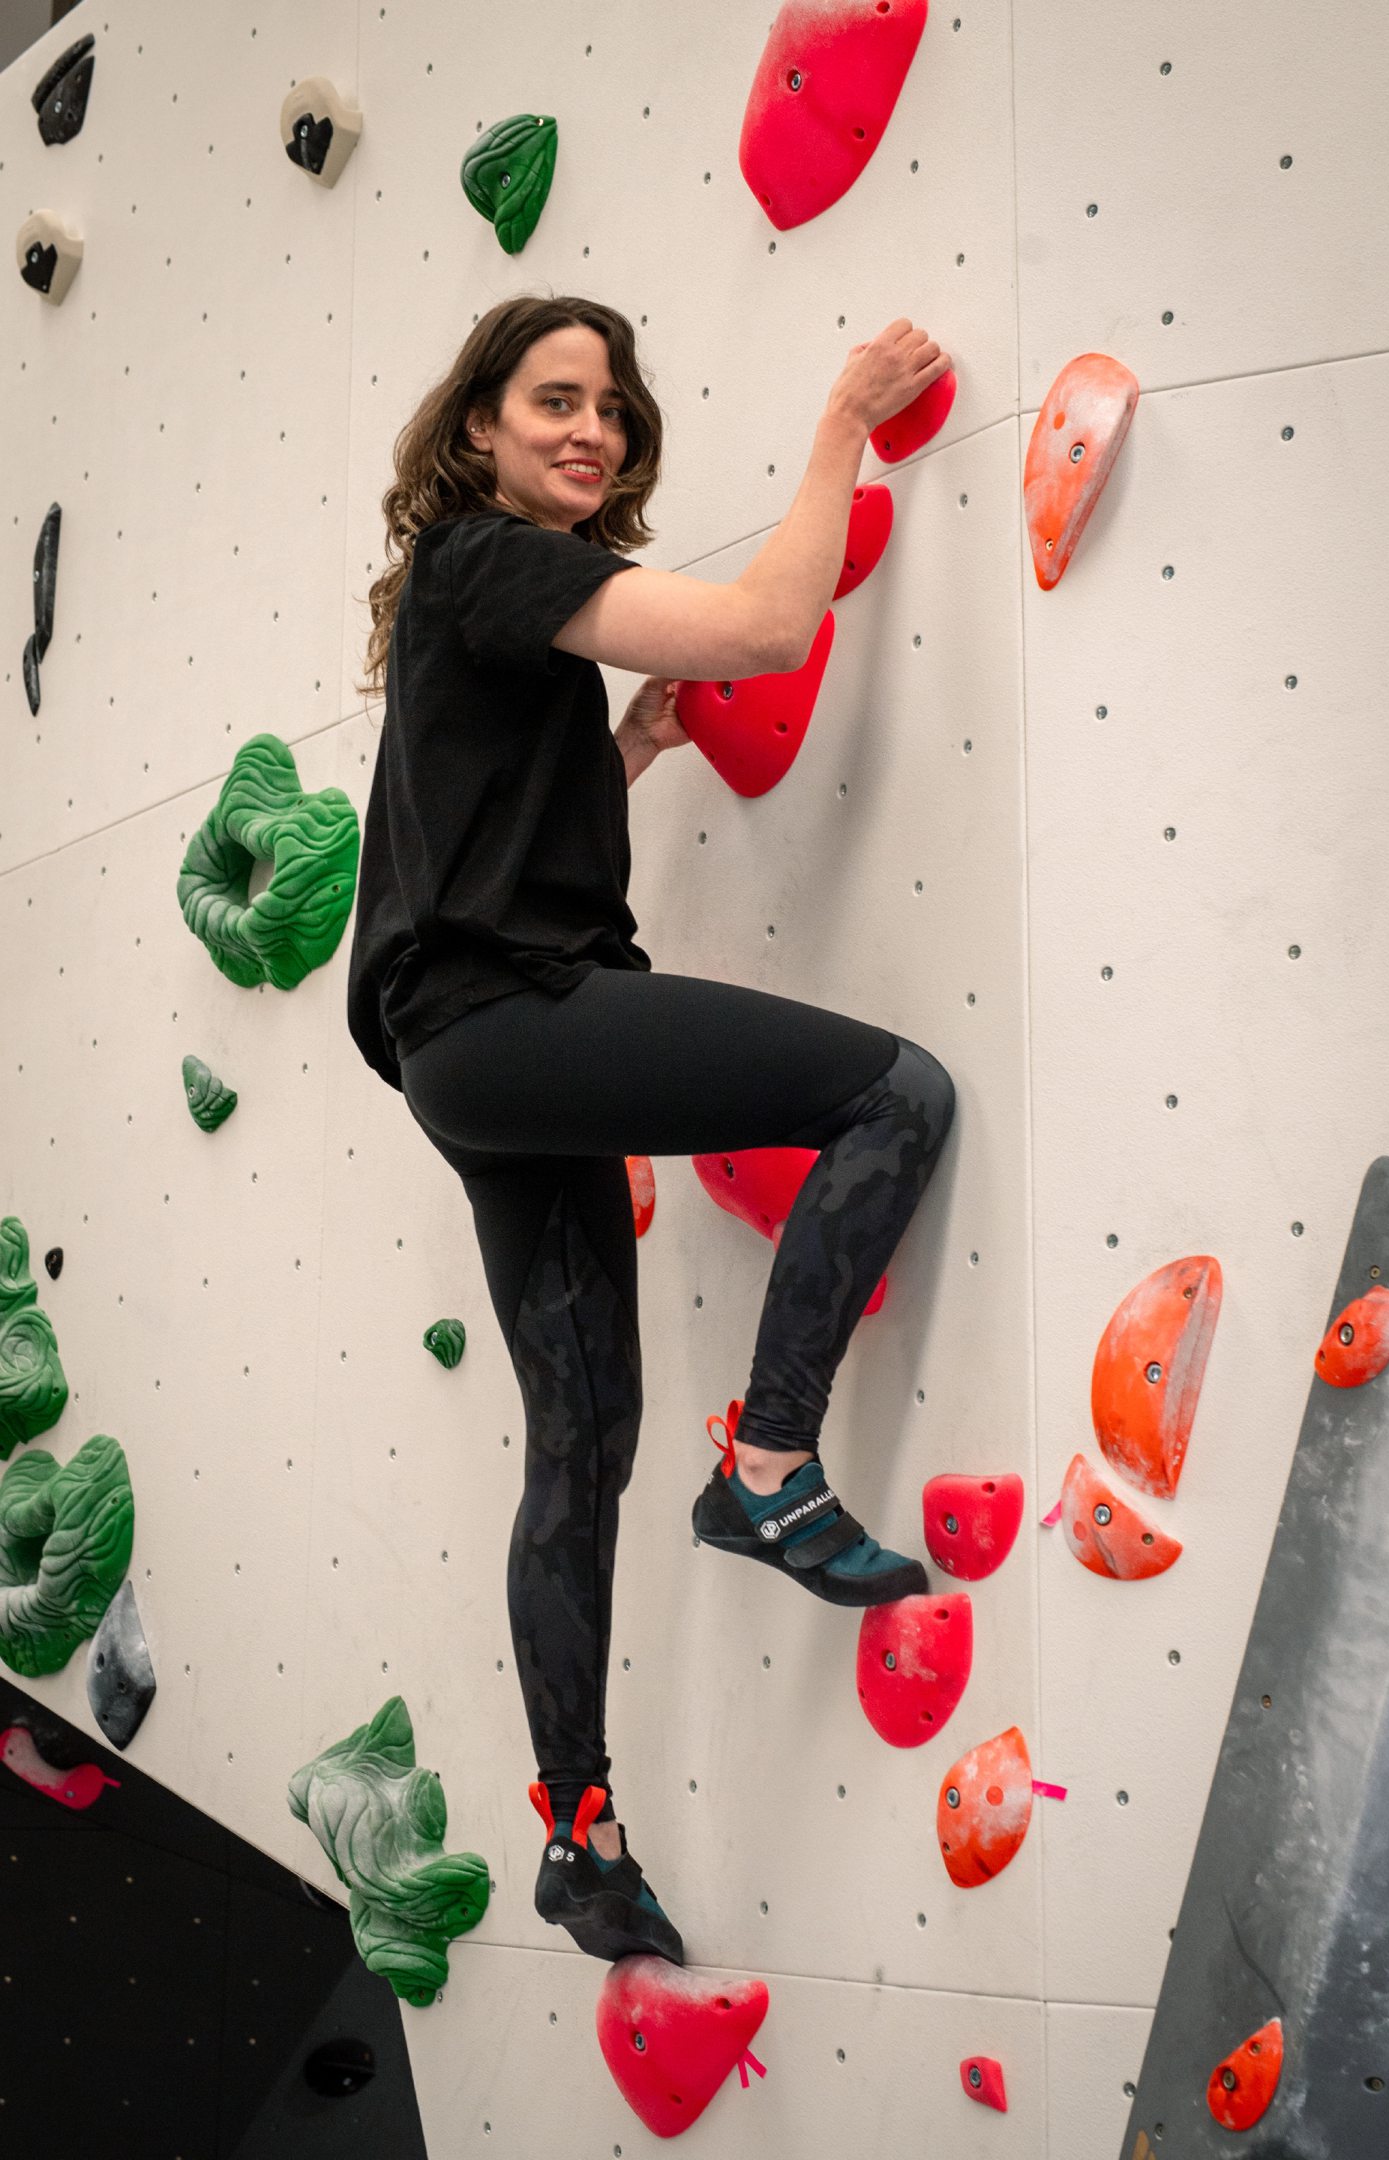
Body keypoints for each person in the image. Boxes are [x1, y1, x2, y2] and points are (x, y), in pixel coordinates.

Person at [346, 294, 959, 1969]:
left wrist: (617, 756)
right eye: (555, 400)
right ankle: (769, 1465)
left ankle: (580, 1835)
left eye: (612, 407)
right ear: (478, 427)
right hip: (501, 1028)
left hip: (469, 1069)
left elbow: (469, 837)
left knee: (579, 1451)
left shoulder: (481, 614)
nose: (591, 430)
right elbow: (768, 628)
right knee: (894, 1091)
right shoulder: (493, 558)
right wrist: (842, 419)